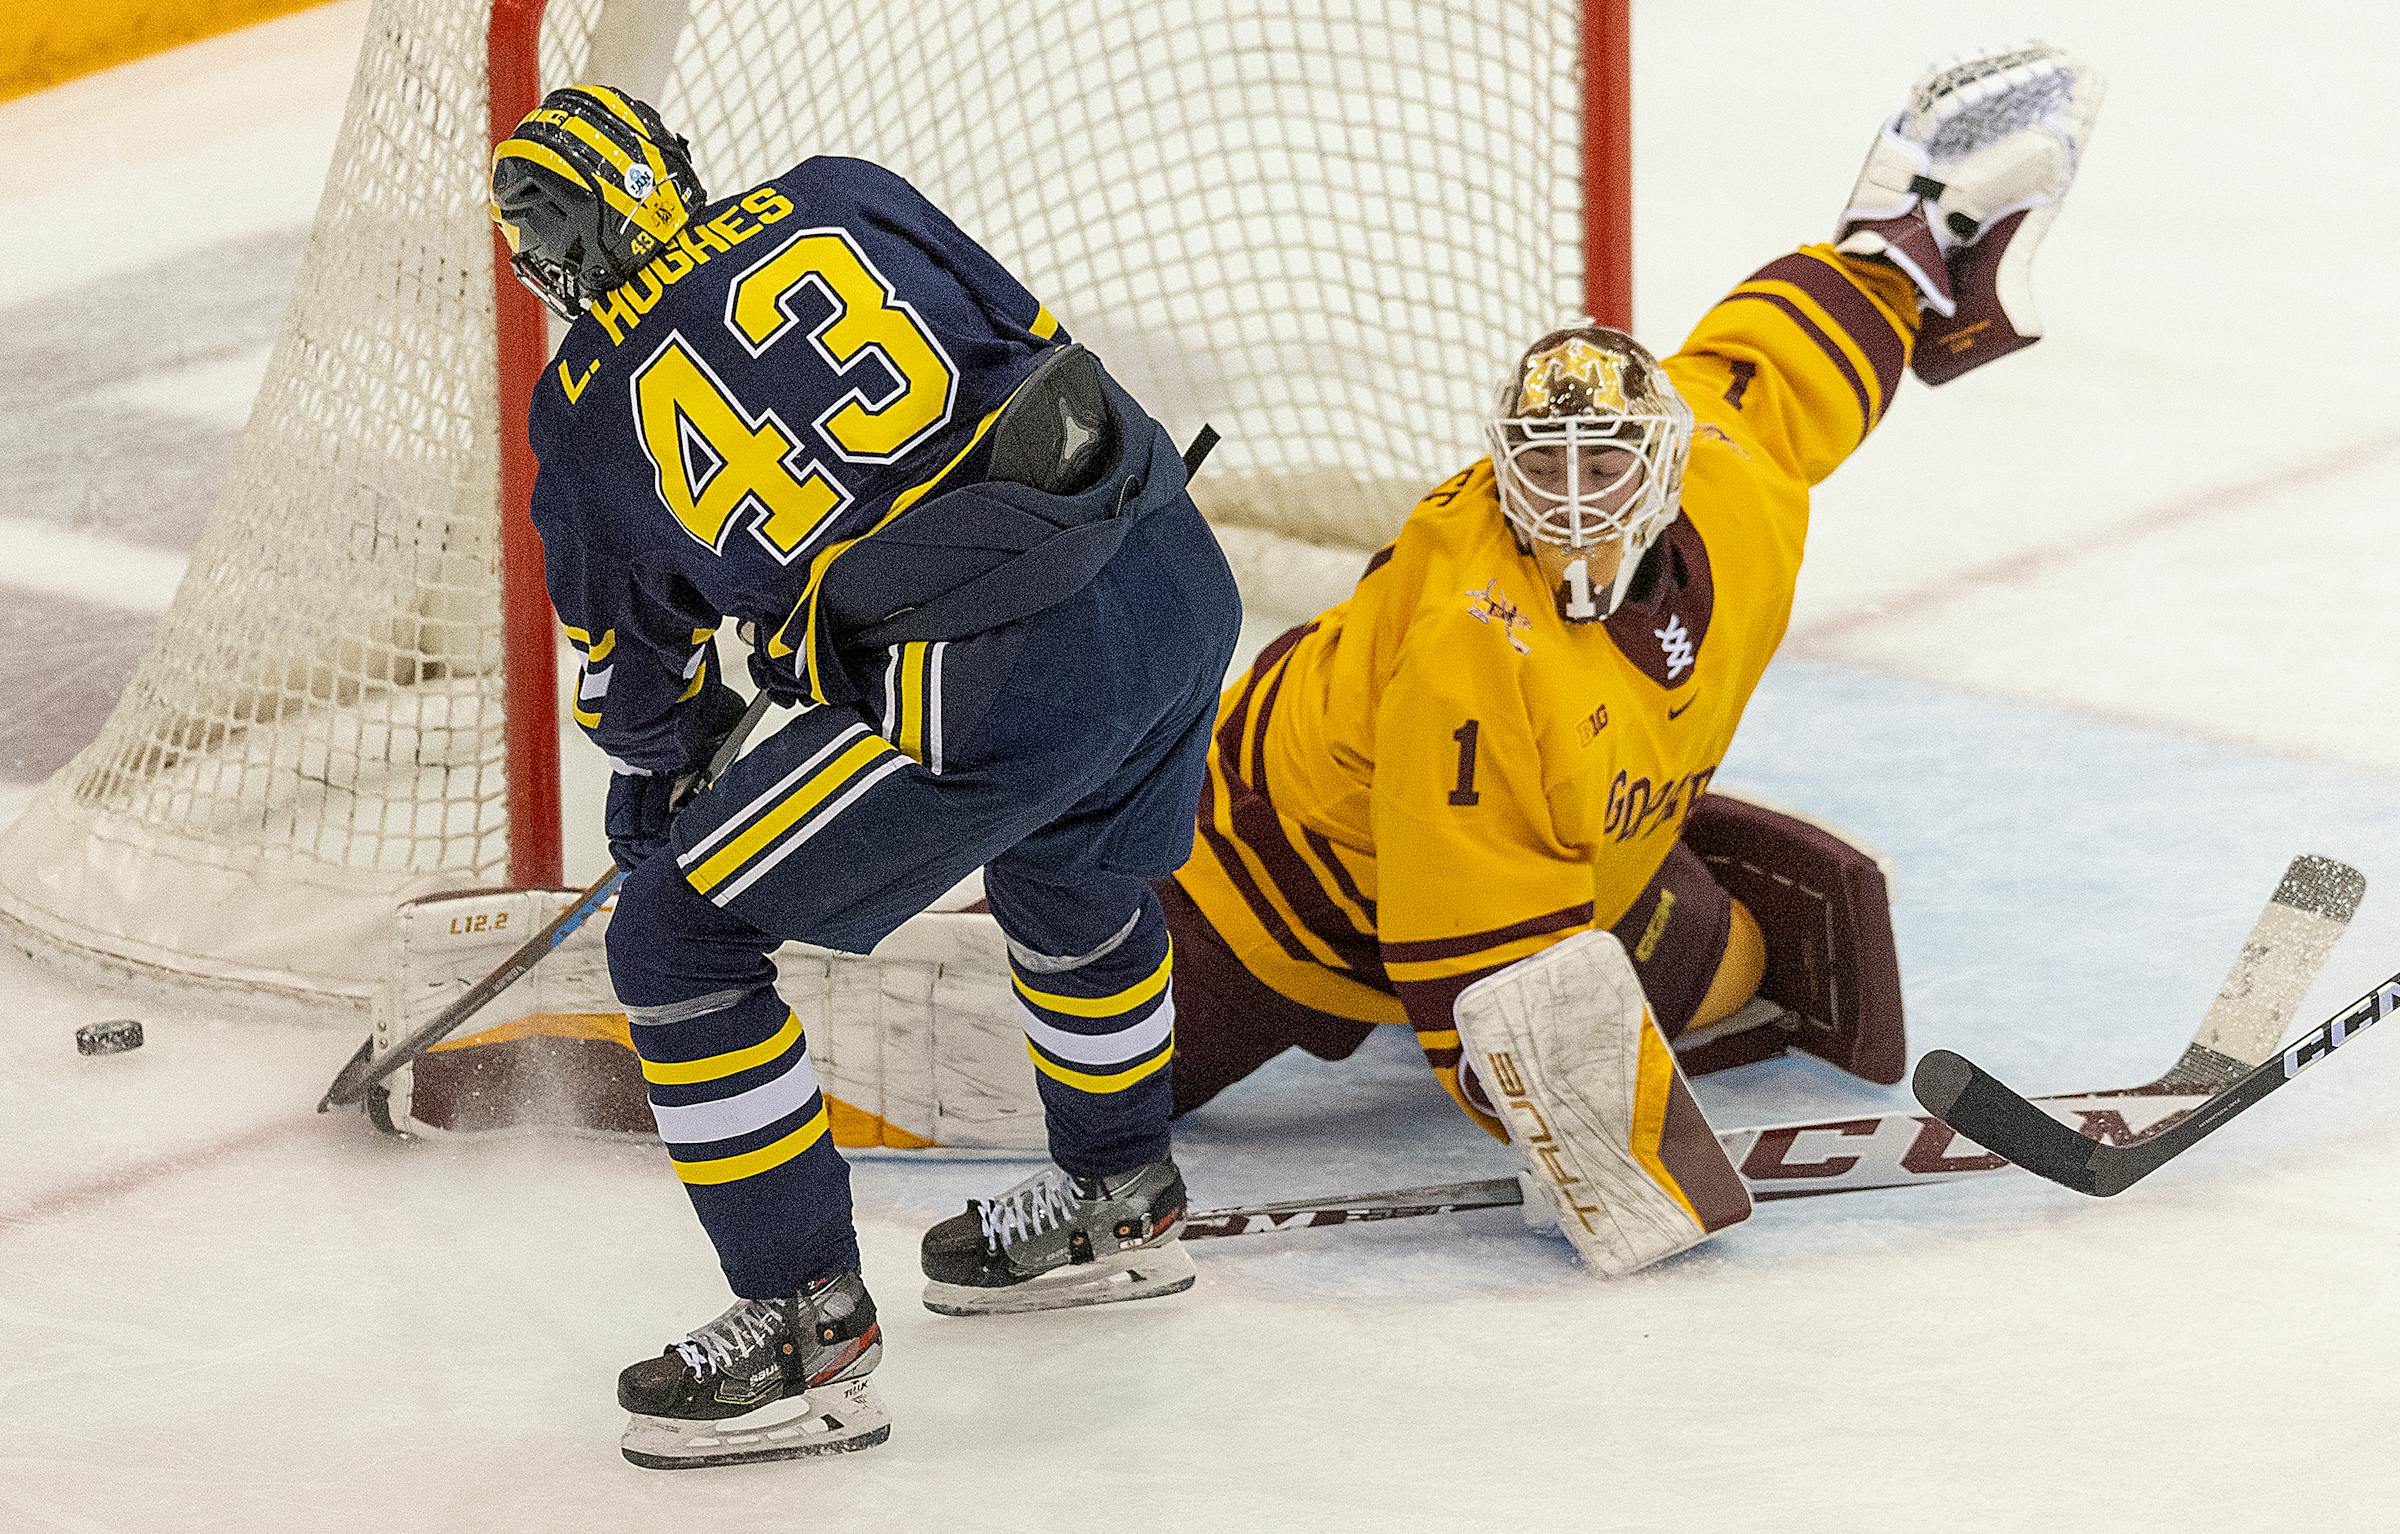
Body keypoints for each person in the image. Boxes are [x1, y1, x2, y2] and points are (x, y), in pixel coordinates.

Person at [1159, 43, 2103, 1275]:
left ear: (1664, 465)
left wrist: (1902, 252)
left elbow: (1775, 372)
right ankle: (1088, 934)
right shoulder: (1475, 647)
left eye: (1601, 465)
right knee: (1103, 1055)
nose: (1568, 498)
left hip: (1553, 861)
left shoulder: (1731, 479)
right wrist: (1607, 1146)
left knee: (1740, 968)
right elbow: (1476, 964)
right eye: (1539, 467)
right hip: (1275, 879)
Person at [487, 85, 1240, 1468]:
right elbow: (1034, 348)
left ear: (547, 255)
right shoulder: (841, 187)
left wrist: (667, 765)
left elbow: (631, 677)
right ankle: (1120, 1193)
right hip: (1173, 569)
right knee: (1068, 863)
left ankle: (804, 1332)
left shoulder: (583, 408)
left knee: (677, 936)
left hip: (999, 678)